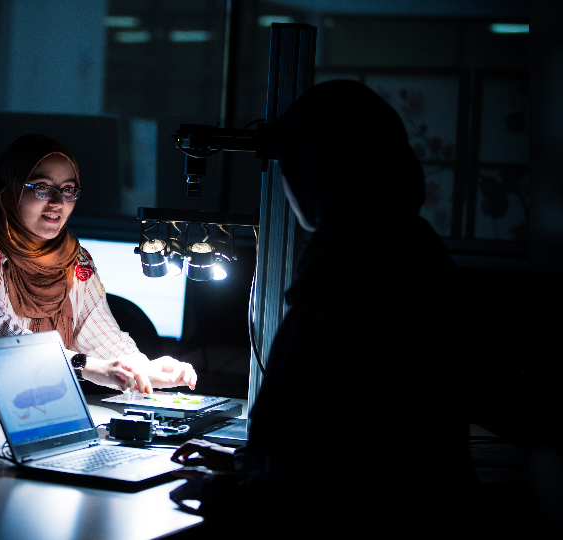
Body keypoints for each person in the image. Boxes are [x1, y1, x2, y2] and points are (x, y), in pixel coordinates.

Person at [169, 80, 474, 534]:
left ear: (316, 171)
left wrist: (226, 494)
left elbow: (338, 463)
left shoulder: (354, 270)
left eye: (291, 167)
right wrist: (250, 462)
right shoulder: (410, 246)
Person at [0, 134, 197, 399]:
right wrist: (86, 366)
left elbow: (99, 331)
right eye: (42, 188)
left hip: (34, 403)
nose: (58, 202)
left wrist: (143, 370)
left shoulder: (76, 259)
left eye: (68, 189)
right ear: (9, 191)